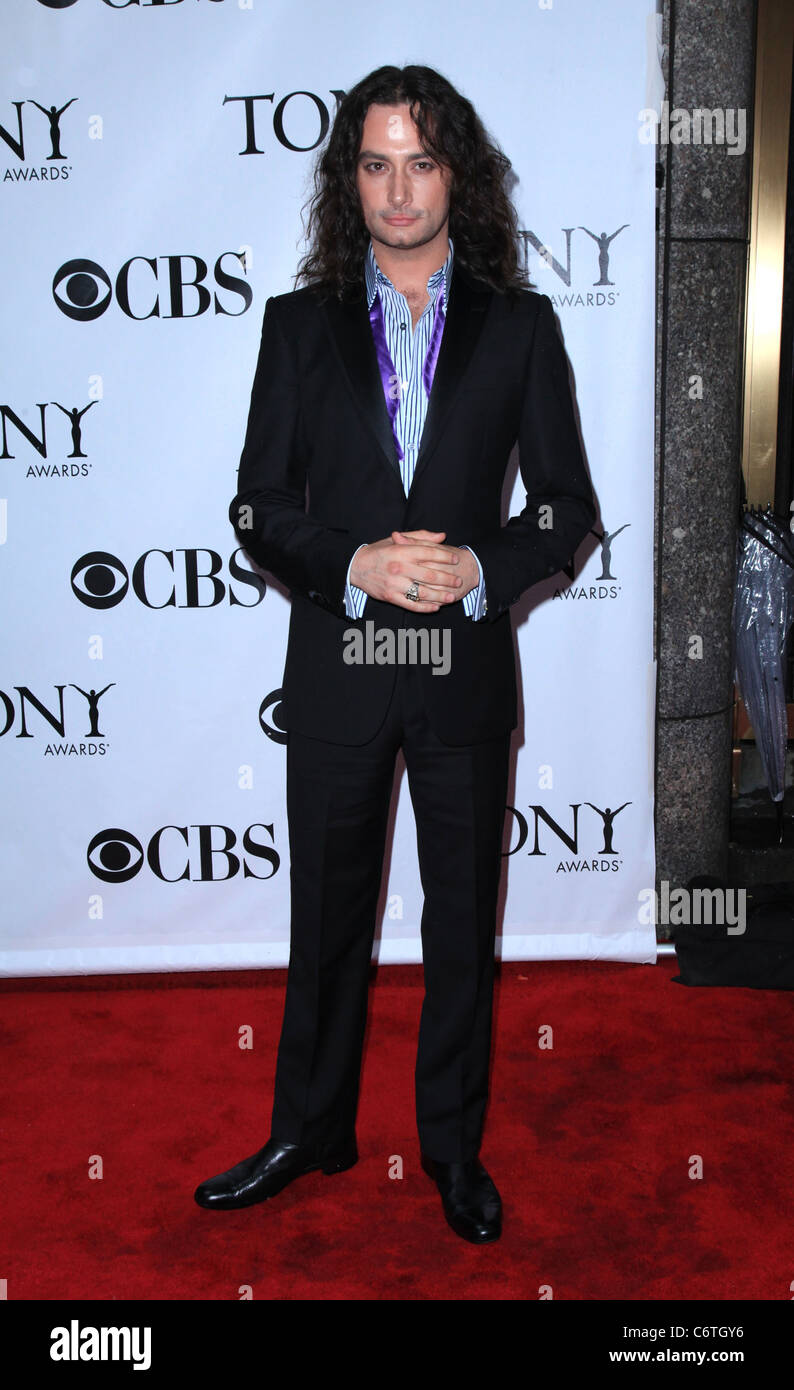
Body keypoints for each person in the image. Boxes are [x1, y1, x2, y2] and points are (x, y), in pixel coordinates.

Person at [194, 63, 597, 1243]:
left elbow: (565, 505)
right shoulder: (296, 324)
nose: (397, 188)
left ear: (453, 175)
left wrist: (479, 567)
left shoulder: (519, 325)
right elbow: (259, 506)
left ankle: (452, 1151)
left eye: (419, 161)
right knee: (324, 916)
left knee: (459, 925)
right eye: (374, 163)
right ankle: (308, 1130)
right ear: (348, 179)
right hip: (336, 668)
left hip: (464, 673)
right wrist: (355, 563)